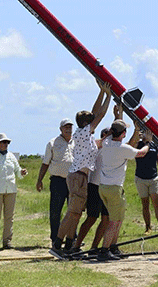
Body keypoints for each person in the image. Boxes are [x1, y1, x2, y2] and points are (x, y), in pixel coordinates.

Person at [52, 81, 111, 256]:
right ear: (87, 124)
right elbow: (99, 115)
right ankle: (58, 243)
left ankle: (69, 245)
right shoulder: (84, 133)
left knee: (77, 213)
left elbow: (94, 114)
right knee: (72, 213)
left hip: (80, 177)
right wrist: (107, 96)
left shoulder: (84, 134)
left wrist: (101, 92)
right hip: (78, 177)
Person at [96, 110, 149, 261]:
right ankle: (105, 250)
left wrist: (117, 115)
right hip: (114, 188)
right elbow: (141, 153)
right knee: (115, 221)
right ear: (124, 133)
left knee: (115, 218)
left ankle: (113, 247)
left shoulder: (106, 143)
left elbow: (116, 133)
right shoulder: (122, 149)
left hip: (103, 187)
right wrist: (147, 143)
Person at [0, 133, 28, 252]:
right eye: (2, 142)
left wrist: (22, 172)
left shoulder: (11, 156)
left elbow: (17, 171)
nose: (5, 144)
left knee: (9, 217)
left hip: (11, 190)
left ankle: (7, 242)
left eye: (6, 142)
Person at [36, 118, 75, 247]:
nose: (68, 129)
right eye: (66, 127)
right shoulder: (52, 143)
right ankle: (55, 238)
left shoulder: (76, 142)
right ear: (61, 129)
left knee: (73, 210)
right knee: (55, 211)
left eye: (70, 127)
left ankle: (72, 237)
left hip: (73, 180)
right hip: (58, 181)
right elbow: (45, 163)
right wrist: (39, 180)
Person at [129, 128, 158, 235]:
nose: (146, 134)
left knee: (157, 205)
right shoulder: (138, 144)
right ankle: (148, 227)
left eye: (148, 132)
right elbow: (130, 148)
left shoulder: (155, 146)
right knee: (145, 204)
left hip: (153, 178)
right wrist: (138, 136)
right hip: (140, 178)